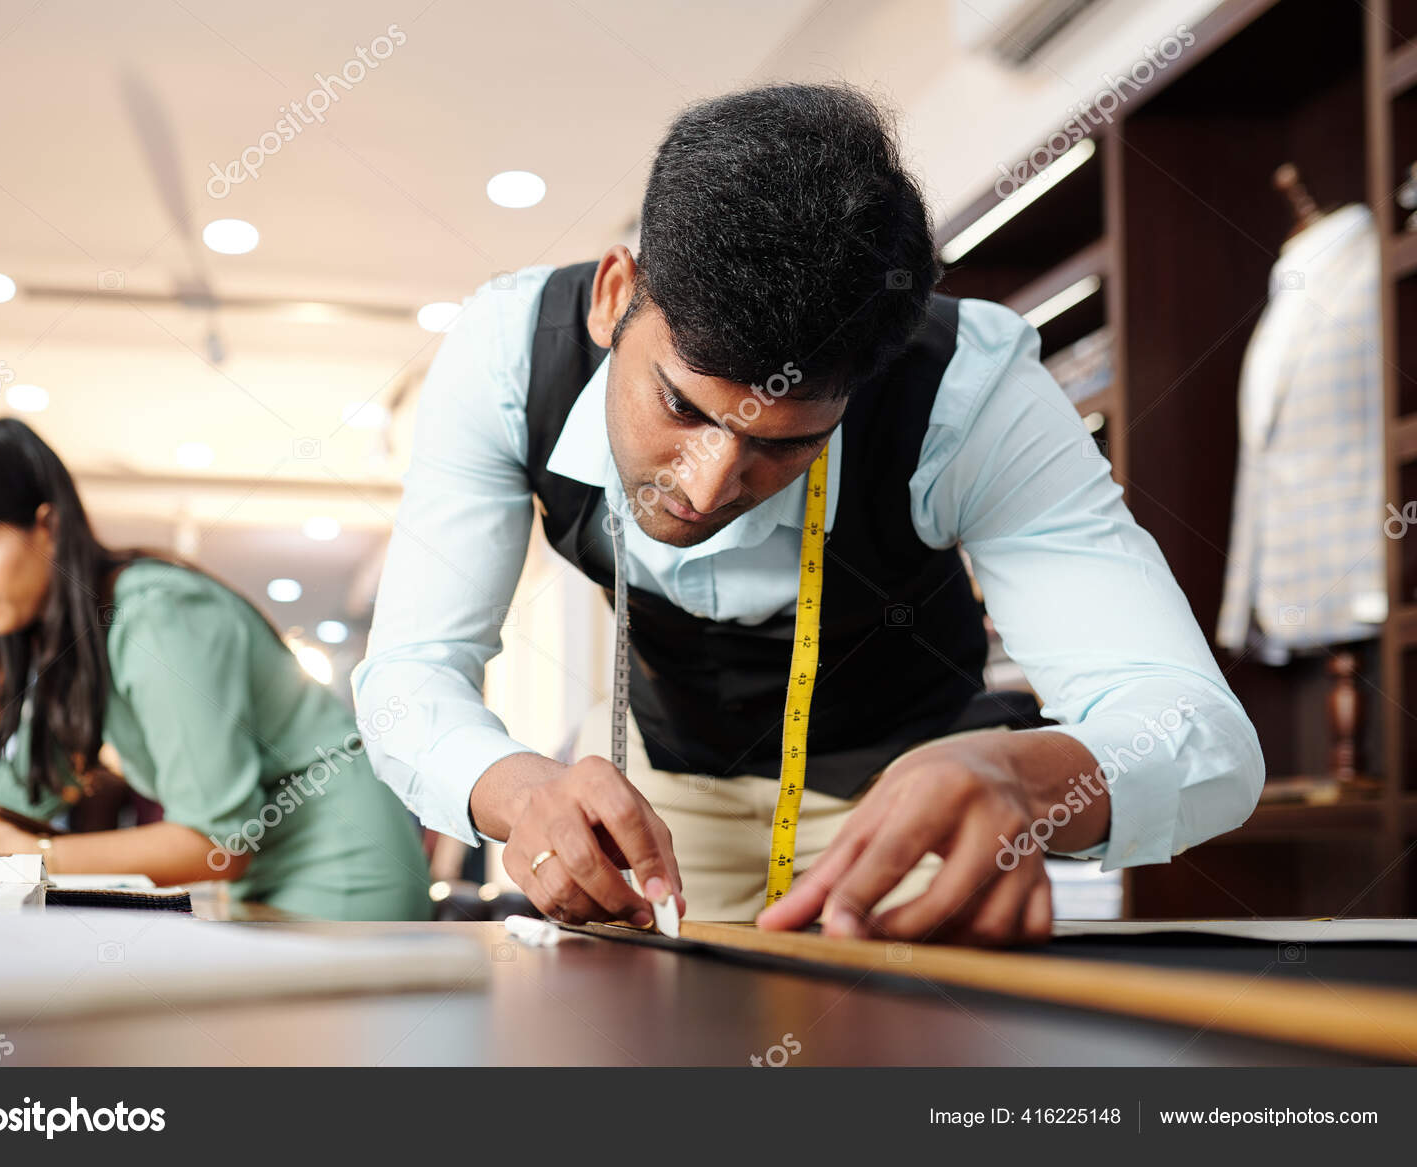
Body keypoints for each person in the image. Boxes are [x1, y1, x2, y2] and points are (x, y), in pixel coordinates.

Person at [352, 83, 1264, 945]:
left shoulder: (972, 391)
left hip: (905, 796)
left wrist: (1032, 775)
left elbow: (1203, 733)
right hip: (663, 788)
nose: (706, 487)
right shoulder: (507, 358)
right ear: (614, 294)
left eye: (783, 444)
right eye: (680, 406)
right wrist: (513, 786)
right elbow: (409, 674)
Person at [0, 417, 430, 921]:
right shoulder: (72, 642)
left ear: (46, 528)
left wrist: (28, 856)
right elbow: (17, 804)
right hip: (272, 878)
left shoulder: (157, 615)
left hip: (347, 871)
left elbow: (216, 845)